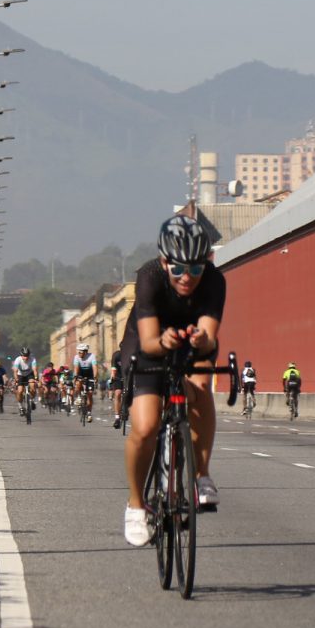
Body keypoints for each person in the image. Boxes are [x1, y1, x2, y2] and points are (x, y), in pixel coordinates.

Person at [119, 214, 226, 546]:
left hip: (190, 342)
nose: (187, 278)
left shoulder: (214, 281)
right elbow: (151, 342)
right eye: (178, 269)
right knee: (147, 426)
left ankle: (201, 475)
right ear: (164, 262)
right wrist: (164, 342)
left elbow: (209, 335)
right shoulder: (149, 277)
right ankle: (136, 506)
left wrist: (200, 340)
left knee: (201, 387)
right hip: (148, 343)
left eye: (195, 270)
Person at [72, 343, 98, 414]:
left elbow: (95, 367)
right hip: (80, 373)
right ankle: (78, 397)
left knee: (90, 394)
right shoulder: (76, 357)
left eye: (81, 352)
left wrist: (95, 377)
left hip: (90, 374)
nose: (79, 353)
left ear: (86, 352)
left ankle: (89, 412)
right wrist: (75, 377)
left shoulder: (92, 356)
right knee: (78, 384)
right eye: (78, 351)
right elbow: (76, 368)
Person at [11, 347, 37, 411]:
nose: (26, 357)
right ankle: (20, 406)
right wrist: (16, 379)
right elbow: (15, 371)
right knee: (20, 391)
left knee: (33, 386)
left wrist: (36, 378)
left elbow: (34, 370)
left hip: (29, 374)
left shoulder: (33, 359)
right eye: (24, 356)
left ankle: (32, 400)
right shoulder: (17, 360)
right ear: (21, 355)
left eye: (27, 356)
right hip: (20, 375)